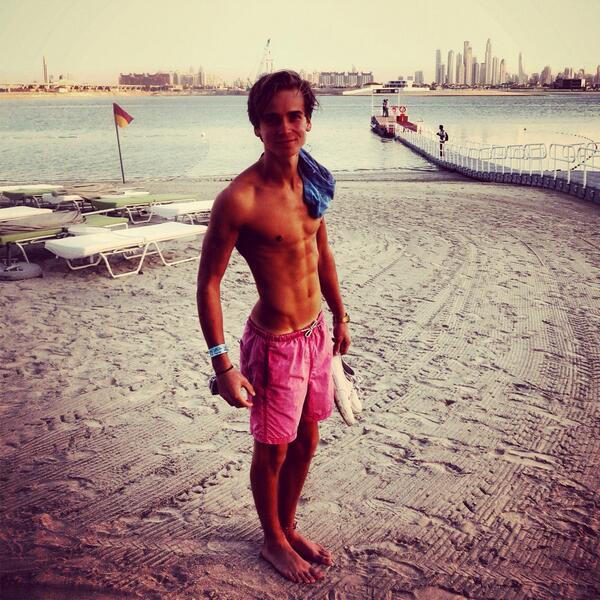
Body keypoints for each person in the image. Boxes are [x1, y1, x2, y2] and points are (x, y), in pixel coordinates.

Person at [196, 70, 351, 585]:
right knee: (274, 448)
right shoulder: (239, 199)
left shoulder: (314, 180)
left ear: (308, 122)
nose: (284, 128)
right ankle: (272, 541)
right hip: (275, 344)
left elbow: (321, 252)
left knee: (307, 441)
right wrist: (222, 366)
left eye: (294, 117)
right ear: (256, 126)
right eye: (272, 119)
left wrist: (340, 314)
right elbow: (209, 283)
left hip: (315, 333)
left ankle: (287, 526)